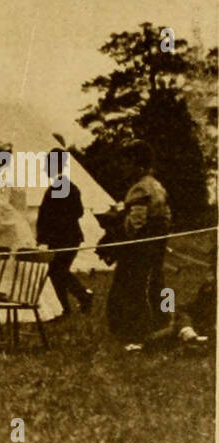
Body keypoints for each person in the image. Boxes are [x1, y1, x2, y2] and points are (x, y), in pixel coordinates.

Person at [0, 142, 63, 322]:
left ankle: (11, 307)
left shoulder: (2, 178)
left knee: (9, 264)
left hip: (8, 229)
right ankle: (35, 304)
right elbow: (19, 207)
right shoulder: (11, 176)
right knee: (20, 264)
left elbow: (1, 207)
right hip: (17, 227)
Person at [100, 140, 171, 351]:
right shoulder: (156, 185)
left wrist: (115, 220)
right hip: (155, 246)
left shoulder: (140, 188)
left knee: (132, 291)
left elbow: (135, 225)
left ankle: (138, 334)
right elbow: (166, 217)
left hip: (140, 250)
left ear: (135, 162)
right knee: (155, 285)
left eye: (125, 162)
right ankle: (161, 327)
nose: (122, 168)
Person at [36, 148, 93, 314]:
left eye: (48, 164)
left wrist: (50, 233)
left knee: (57, 272)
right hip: (65, 237)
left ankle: (76, 300)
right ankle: (73, 302)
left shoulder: (62, 186)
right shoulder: (62, 185)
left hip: (64, 238)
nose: (45, 168)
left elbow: (71, 212)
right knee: (57, 272)